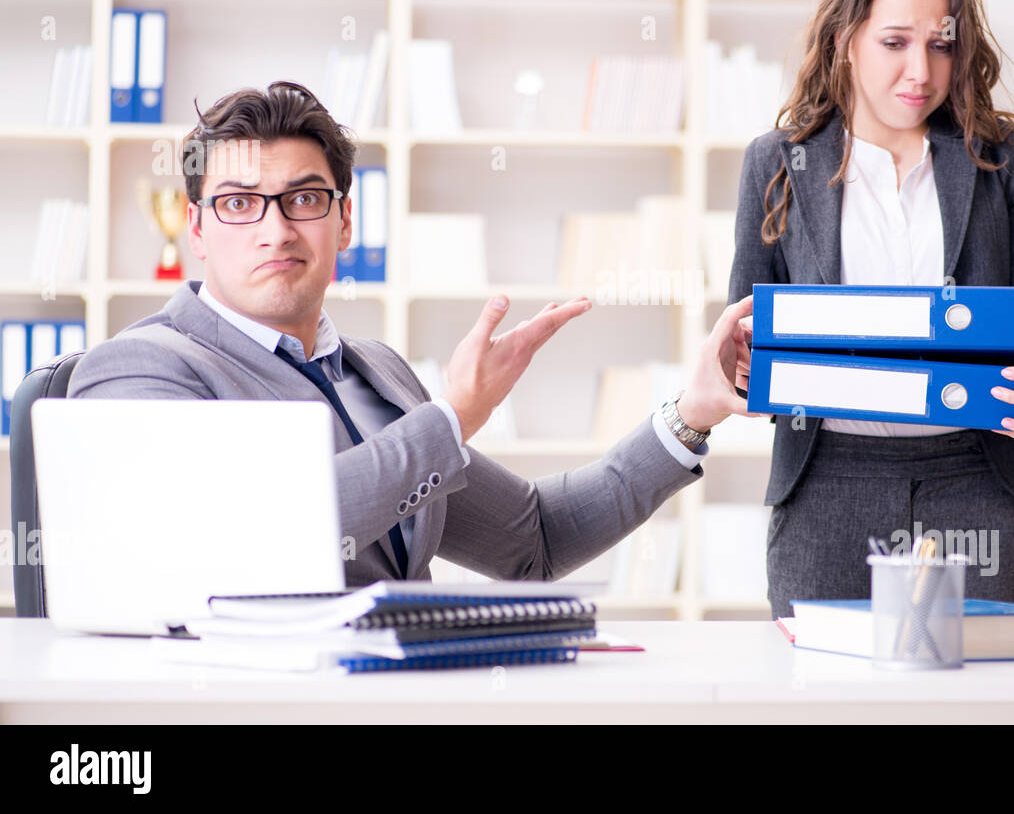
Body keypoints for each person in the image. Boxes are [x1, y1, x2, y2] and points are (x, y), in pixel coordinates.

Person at [69, 81, 758, 586]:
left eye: (304, 199)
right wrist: (453, 416)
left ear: (344, 222)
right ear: (197, 229)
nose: (275, 229)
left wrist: (690, 412)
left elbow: (536, 539)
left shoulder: (378, 373)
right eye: (240, 203)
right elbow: (253, 536)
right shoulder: (138, 367)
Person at [727, 0, 1014, 618]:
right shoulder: (775, 162)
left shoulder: (1008, 157)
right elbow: (744, 326)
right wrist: (736, 362)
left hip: (979, 477)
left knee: (983, 696)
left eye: (941, 43)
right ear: (845, 41)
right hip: (828, 485)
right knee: (824, 698)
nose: (921, 71)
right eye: (894, 43)